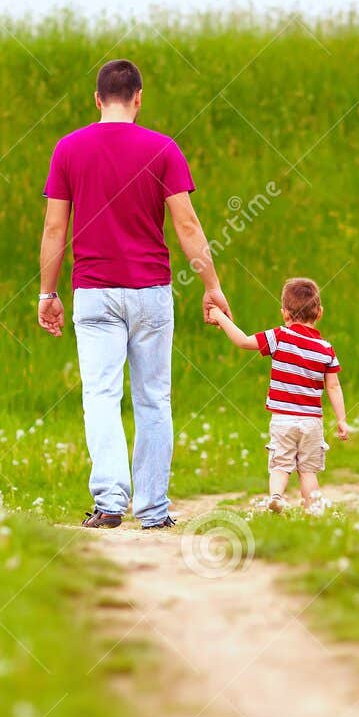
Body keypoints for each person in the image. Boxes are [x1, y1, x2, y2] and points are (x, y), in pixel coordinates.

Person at [37, 59, 229, 528]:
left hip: (94, 293)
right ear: (139, 97)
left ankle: (108, 502)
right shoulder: (163, 148)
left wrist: (47, 294)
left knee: (100, 396)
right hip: (150, 293)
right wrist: (212, 286)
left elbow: (53, 228)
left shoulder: (68, 149)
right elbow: (186, 224)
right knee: (153, 399)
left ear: (97, 99)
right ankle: (153, 509)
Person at [207, 277, 349, 513]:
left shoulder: (279, 337)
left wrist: (220, 316)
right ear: (320, 313)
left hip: (283, 419)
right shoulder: (326, 349)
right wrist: (342, 419)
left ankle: (276, 496)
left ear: (284, 313)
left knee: (280, 466)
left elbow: (243, 341)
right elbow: (333, 387)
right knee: (308, 470)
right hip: (312, 422)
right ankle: (312, 509)